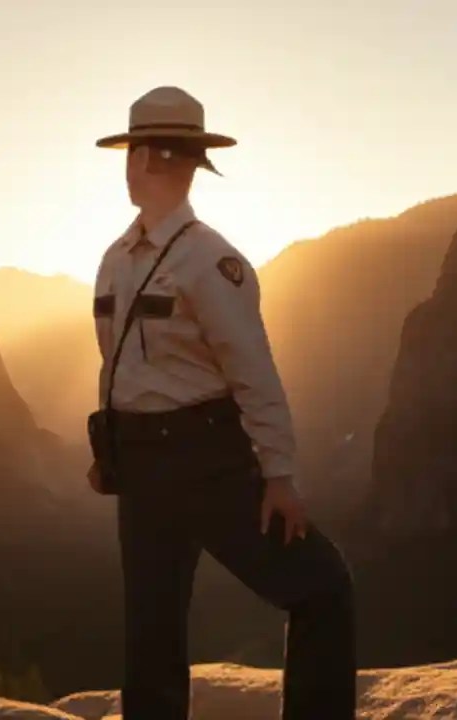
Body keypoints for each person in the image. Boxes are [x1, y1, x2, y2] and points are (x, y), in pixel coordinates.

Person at [87, 85, 356, 720]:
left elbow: (253, 372)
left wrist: (279, 474)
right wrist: (110, 451)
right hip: (152, 461)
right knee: (152, 626)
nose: (130, 167)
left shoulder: (212, 261)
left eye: (135, 152)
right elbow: (116, 364)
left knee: (321, 587)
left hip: (206, 459)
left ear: (149, 158)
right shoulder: (114, 261)